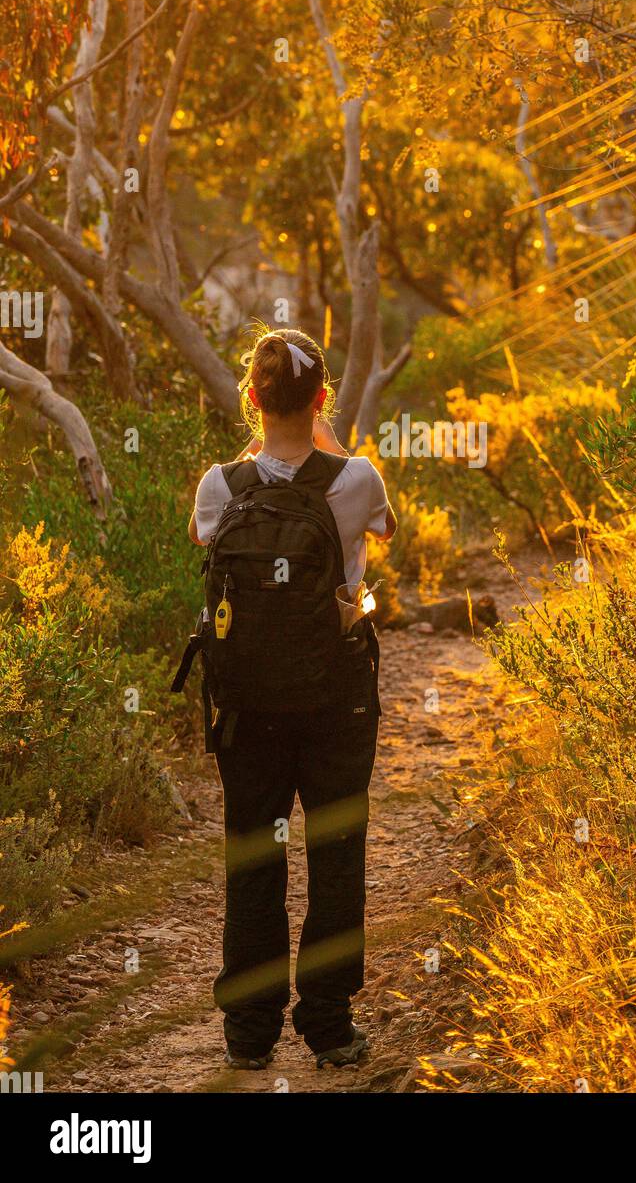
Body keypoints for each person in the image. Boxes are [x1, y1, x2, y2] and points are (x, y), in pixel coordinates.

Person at [187, 327, 397, 1070]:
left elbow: (201, 535)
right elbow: (384, 532)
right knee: (335, 852)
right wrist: (324, 435)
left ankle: (249, 1032)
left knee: (254, 856)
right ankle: (330, 1026)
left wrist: (272, 444)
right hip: (335, 698)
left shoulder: (220, 485)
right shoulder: (358, 480)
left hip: (248, 705)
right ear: (321, 400)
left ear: (250, 397)